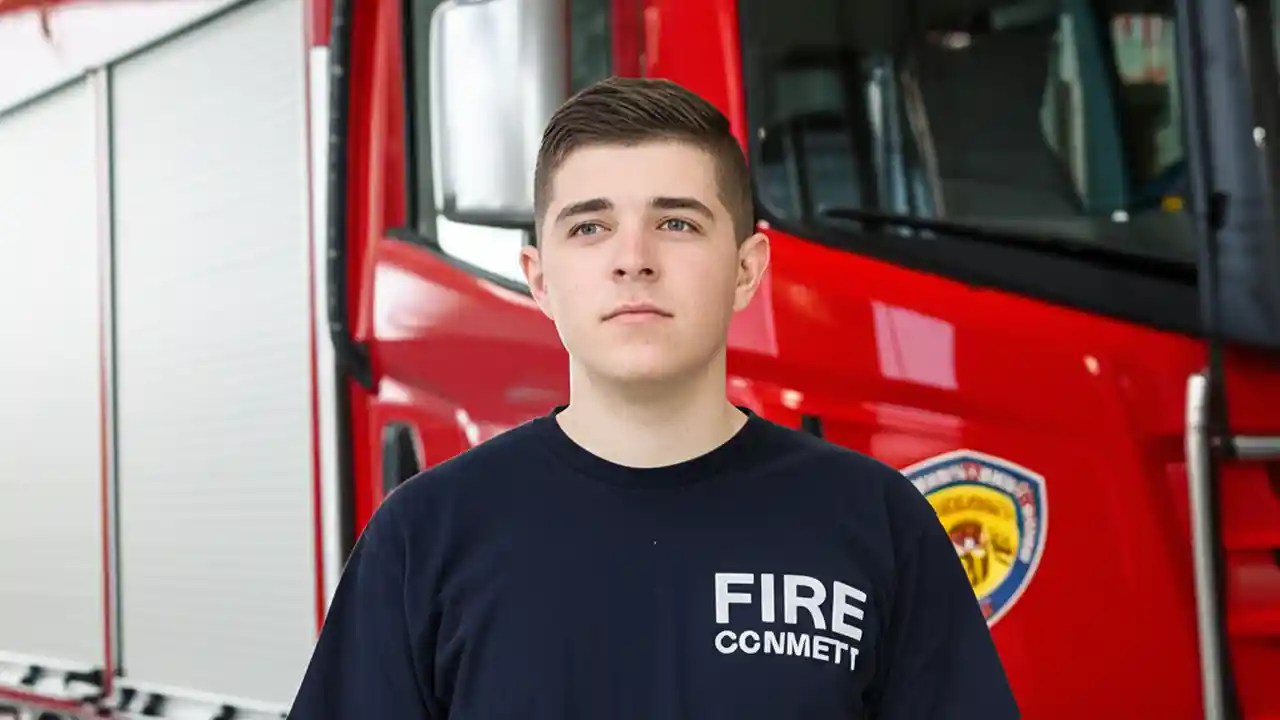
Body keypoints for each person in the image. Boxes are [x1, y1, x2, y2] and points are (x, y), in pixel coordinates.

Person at [287, 76, 1019, 719]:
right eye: (590, 227)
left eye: (676, 223)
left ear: (746, 268)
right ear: (540, 279)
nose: (633, 260)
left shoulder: (876, 523)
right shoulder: (426, 538)